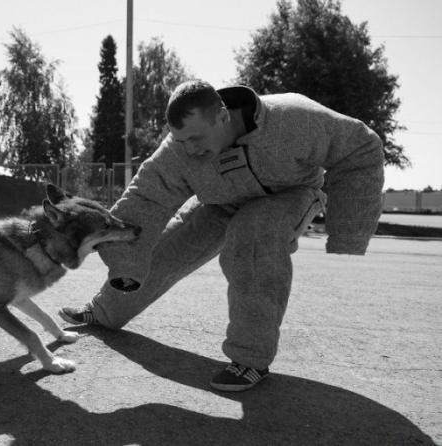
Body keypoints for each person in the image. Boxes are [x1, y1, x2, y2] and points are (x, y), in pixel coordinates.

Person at [59, 80, 384, 392]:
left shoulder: (294, 119)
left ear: (222, 116)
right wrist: (124, 260)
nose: (190, 149)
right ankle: (103, 312)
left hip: (290, 195)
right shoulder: (179, 149)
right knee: (168, 246)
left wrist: (349, 234)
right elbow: (146, 198)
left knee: (253, 235)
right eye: (181, 140)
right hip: (221, 202)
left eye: (196, 139)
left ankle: (250, 359)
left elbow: (360, 147)